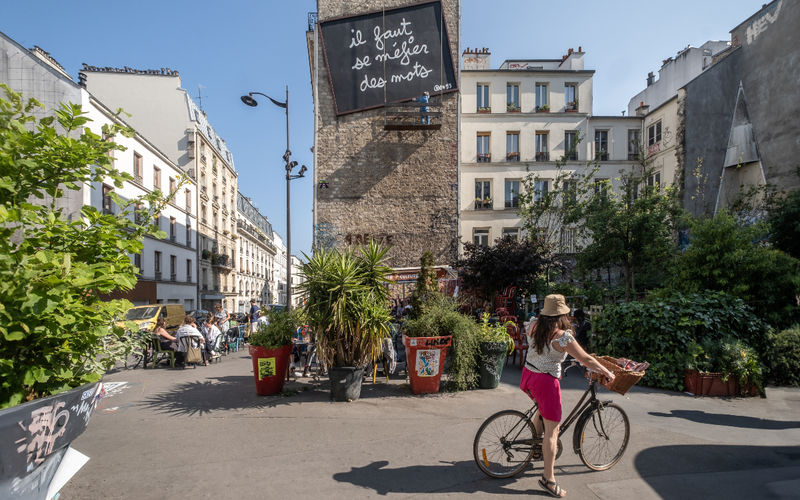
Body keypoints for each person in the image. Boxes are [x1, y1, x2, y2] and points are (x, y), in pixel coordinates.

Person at [522, 294, 615, 498]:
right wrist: (606, 372)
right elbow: (586, 359)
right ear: (562, 314)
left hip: (528, 376)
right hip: (546, 382)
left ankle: (536, 449)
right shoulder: (562, 337)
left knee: (541, 411)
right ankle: (549, 479)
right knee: (552, 432)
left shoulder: (533, 325)